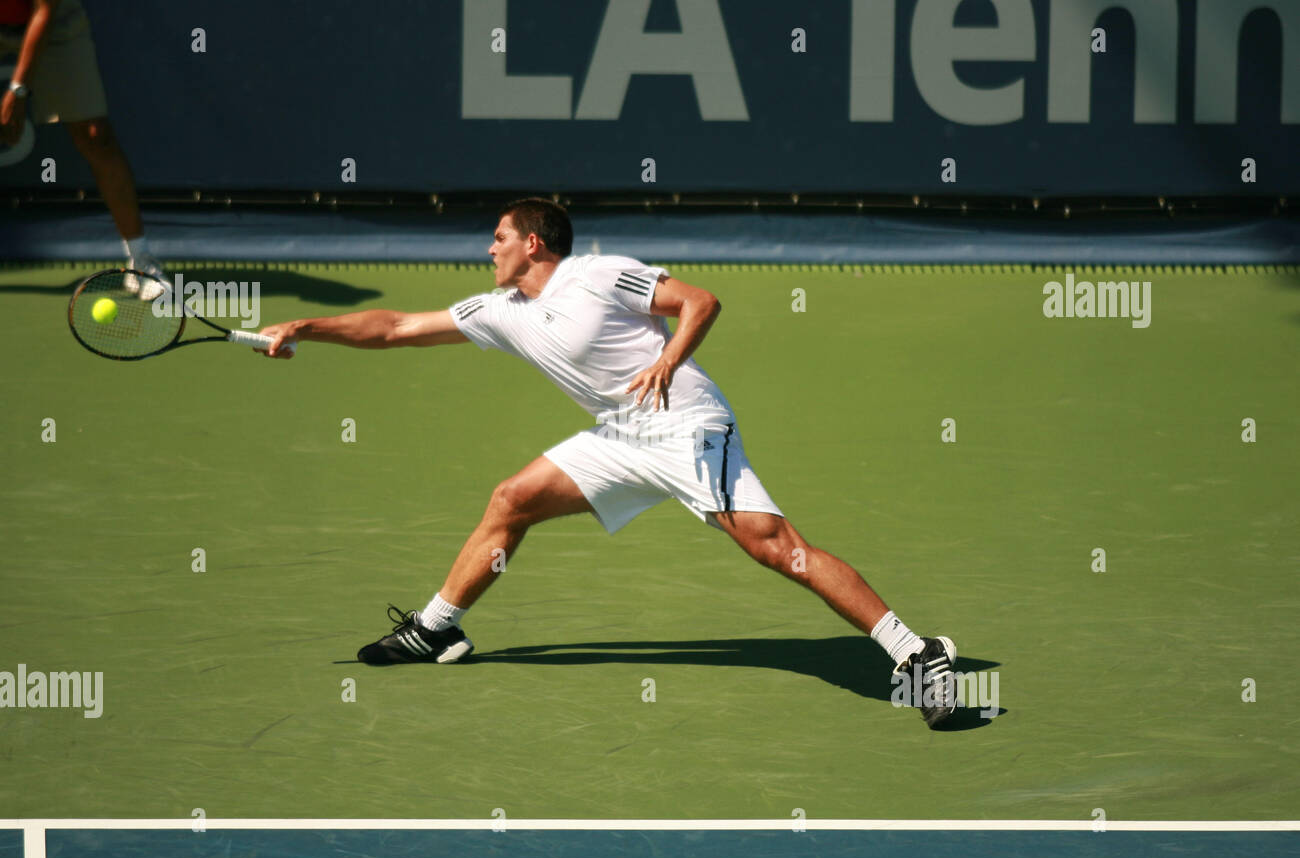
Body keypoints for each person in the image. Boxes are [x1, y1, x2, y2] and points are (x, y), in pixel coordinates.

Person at [257, 198, 959, 727]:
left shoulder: (599, 274)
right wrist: (305, 328)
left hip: (683, 421)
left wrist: (666, 361)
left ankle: (915, 652)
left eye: (498, 237)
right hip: (620, 434)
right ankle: (437, 628)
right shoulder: (501, 309)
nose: (488, 248)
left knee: (776, 549)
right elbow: (397, 327)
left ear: (532, 242)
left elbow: (700, 301)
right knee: (513, 499)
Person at [0, 0, 167, 297]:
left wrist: (17, 90)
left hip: (51, 19)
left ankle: (142, 262)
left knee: (95, 135)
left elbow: (44, 8)